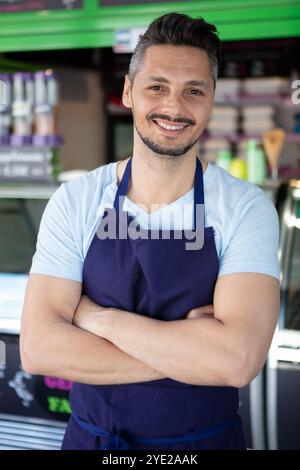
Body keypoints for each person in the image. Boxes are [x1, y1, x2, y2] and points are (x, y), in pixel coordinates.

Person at [20, 13, 280, 450]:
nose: (174, 107)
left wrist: (94, 319)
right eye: (156, 86)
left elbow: (236, 362)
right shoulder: (78, 200)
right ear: (128, 92)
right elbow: (40, 349)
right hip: (94, 443)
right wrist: (194, 354)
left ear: (211, 100)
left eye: (193, 91)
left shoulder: (245, 208)